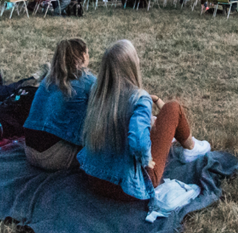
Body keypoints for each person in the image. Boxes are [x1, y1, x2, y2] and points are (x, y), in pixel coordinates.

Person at [78, 40, 210, 201]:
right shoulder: (139, 98)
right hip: (127, 187)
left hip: (95, 179)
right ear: (131, 65)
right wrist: (146, 159)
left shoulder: (98, 93)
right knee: (173, 108)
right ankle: (191, 148)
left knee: (152, 126)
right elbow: (138, 142)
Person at [23, 39, 96, 170]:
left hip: (29, 149)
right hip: (54, 155)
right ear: (83, 55)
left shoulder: (48, 79)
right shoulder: (88, 81)